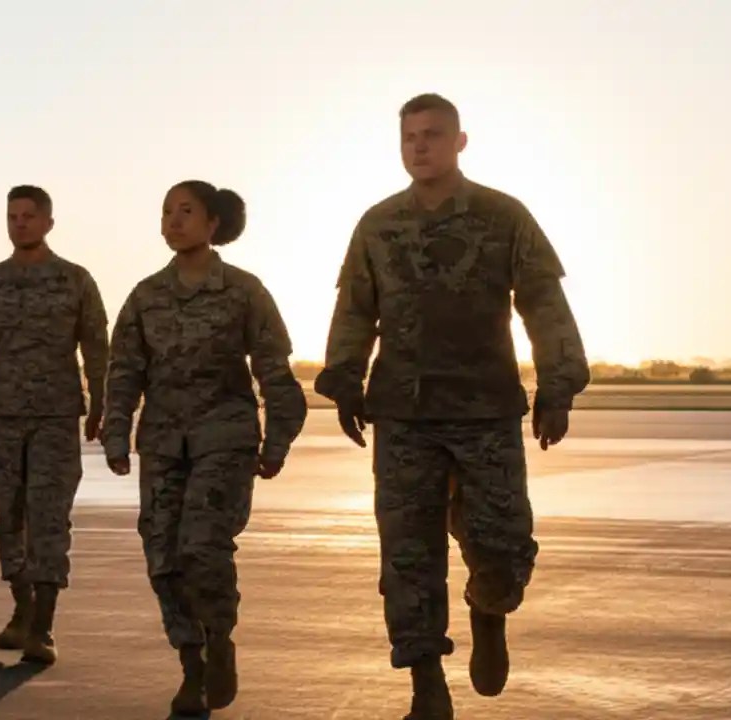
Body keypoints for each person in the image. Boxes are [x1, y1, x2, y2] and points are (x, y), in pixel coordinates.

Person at [315, 93, 590, 719]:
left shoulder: (502, 216)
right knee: (407, 553)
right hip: (404, 415)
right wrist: (346, 380)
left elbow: (543, 303)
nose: (420, 146)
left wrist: (557, 387)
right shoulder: (377, 224)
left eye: (433, 135)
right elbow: (356, 309)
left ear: (460, 142)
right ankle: (426, 687)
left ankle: (489, 609)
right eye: (409, 136)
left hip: (485, 410)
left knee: (501, 542)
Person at [102, 180, 307, 716]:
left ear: (213, 223)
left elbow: (274, 371)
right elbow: (124, 371)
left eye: (185, 211)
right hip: (164, 444)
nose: (172, 221)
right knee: (163, 558)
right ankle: (191, 664)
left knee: (202, 546)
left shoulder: (243, 291)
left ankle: (219, 638)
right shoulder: (146, 296)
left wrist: (279, 439)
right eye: (166, 211)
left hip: (226, 439)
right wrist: (117, 432)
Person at [0, 184, 109, 666]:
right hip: (6, 416)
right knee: (9, 517)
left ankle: (44, 625)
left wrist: (100, 403)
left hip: (57, 417)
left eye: (29, 216)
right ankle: (21, 607)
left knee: (50, 517)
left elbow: (97, 349)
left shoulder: (75, 280)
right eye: (13, 216)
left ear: (49, 223)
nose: (20, 224)